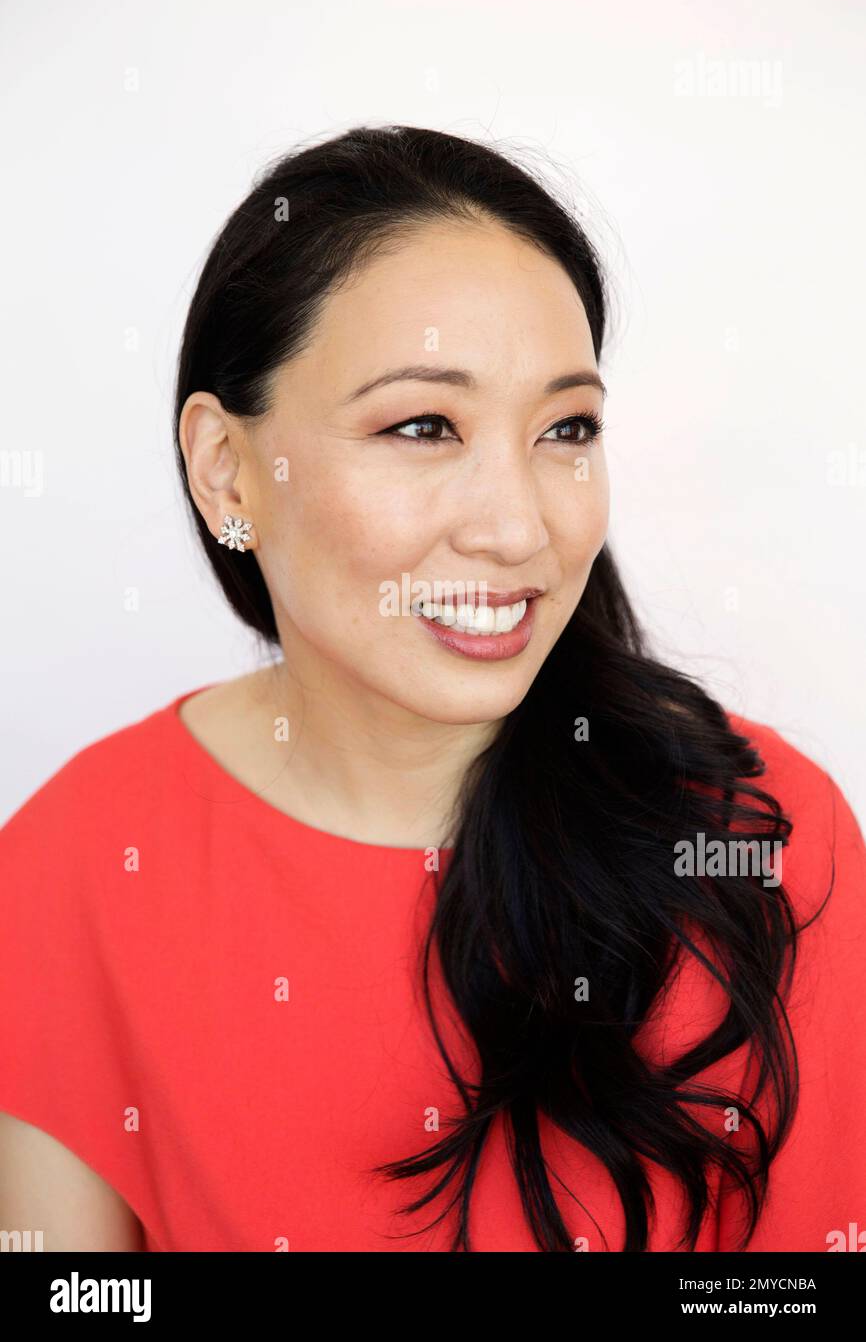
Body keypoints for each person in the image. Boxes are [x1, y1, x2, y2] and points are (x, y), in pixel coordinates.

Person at [1, 125, 864, 1253]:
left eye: (565, 428)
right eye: (421, 425)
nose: (518, 528)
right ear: (227, 469)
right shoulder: (71, 866)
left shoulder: (762, 840)